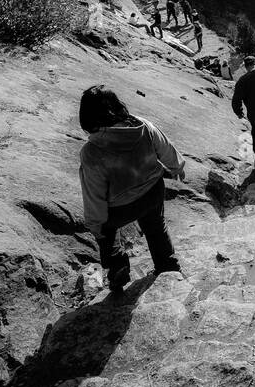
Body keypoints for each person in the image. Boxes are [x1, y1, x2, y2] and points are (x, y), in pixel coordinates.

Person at [78, 86, 185, 293]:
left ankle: (119, 268)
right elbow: (165, 147)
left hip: (121, 207)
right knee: (155, 226)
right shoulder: (141, 125)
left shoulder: (92, 152)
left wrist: (95, 224)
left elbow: (94, 194)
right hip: (153, 191)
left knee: (106, 232)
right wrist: (177, 167)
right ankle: (168, 265)